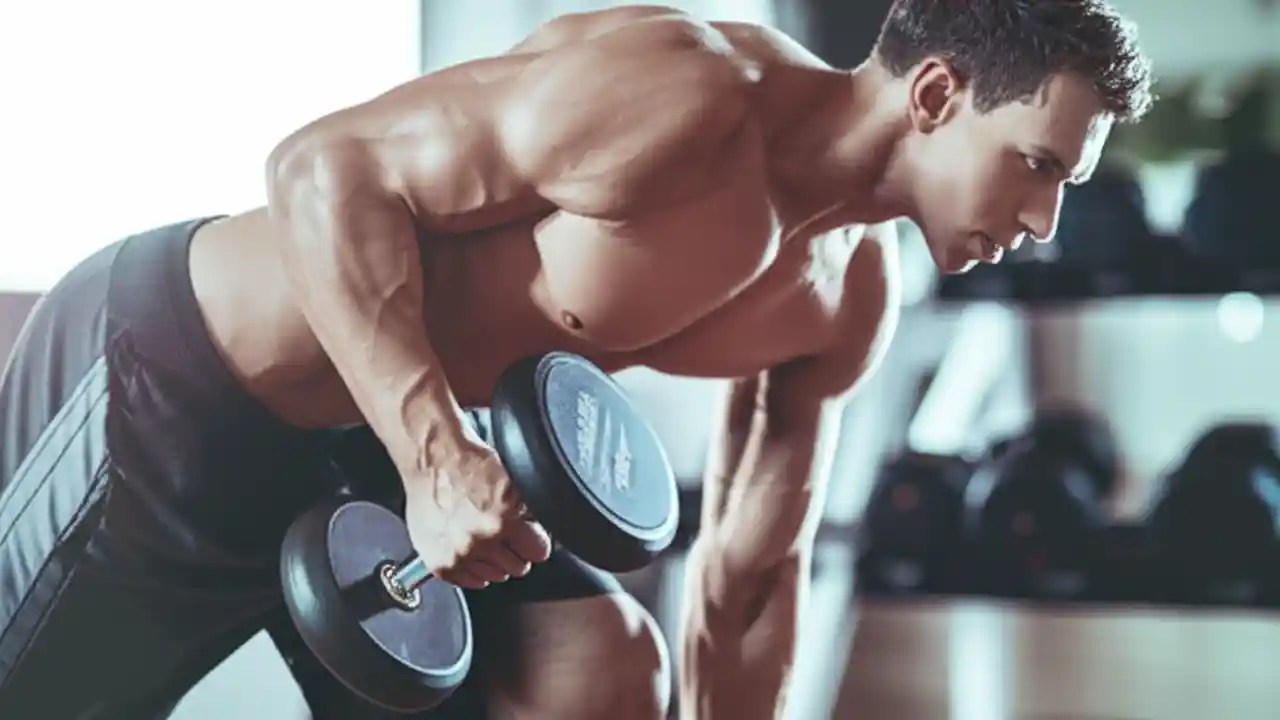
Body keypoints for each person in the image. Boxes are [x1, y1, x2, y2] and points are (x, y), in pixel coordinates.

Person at [0, 1, 1152, 718]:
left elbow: (749, 581)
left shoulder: (848, 296)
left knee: (593, 670)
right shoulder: (681, 91)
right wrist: (437, 459)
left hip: (361, 452)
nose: (1045, 221)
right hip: (173, 383)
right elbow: (320, 170)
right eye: (1038, 165)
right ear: (938, 94)